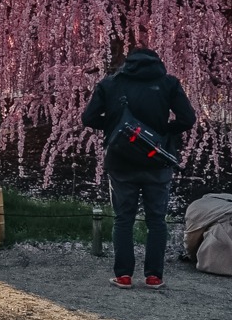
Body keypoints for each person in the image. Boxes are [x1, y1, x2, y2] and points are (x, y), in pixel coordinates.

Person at [81, 41, 198, 289]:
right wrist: (165, 132)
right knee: (157, 220)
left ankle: (123, 275)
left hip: (121, 162)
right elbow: (188, 118)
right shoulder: (168, 83)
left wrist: (115, 129)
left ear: (128, 62)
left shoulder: (111, 83)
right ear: (156, 62)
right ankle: (154, 276)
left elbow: (88, 118)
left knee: (124, 218)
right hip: (157, 160)